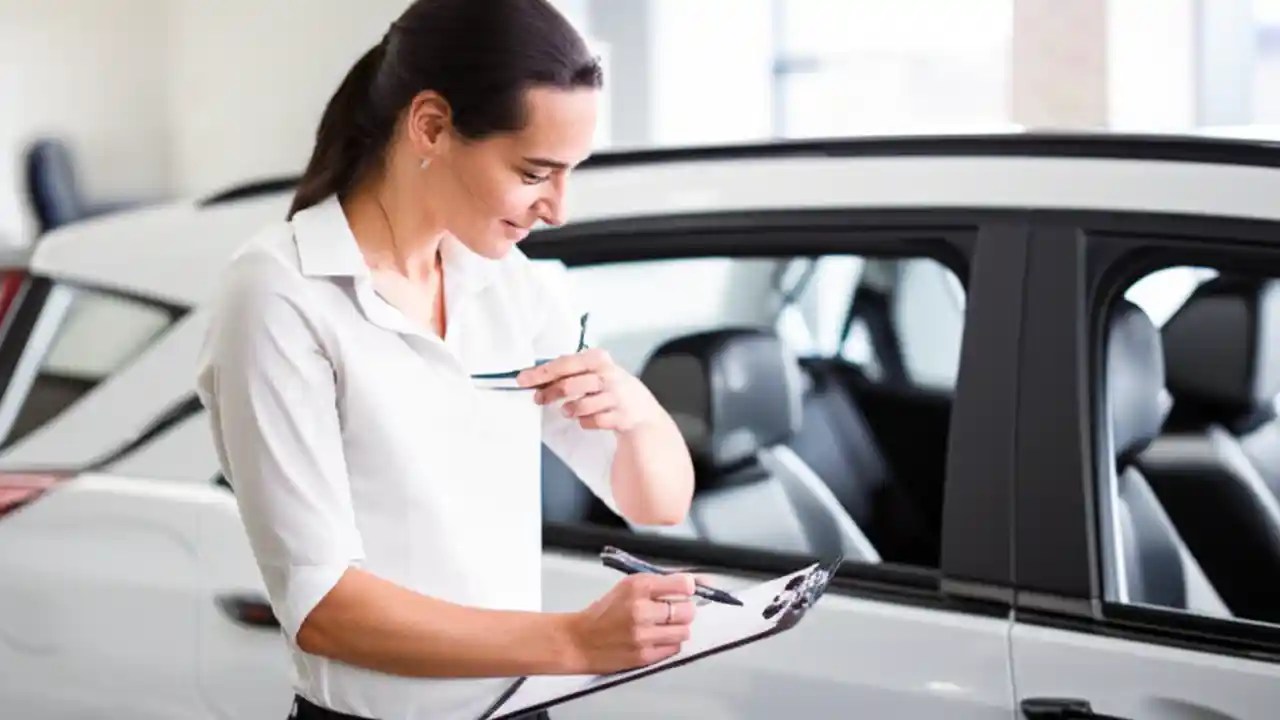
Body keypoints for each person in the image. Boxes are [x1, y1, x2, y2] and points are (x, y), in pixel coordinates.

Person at [193, 1, 698, 718]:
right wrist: (574, 642)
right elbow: (323, 606)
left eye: (569, 174)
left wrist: (640, 412)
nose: (559, 208)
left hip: (516, 709)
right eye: (534, 173)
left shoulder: (506, 282)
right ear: (430, 125)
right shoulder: (281, 292)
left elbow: (656, 501)